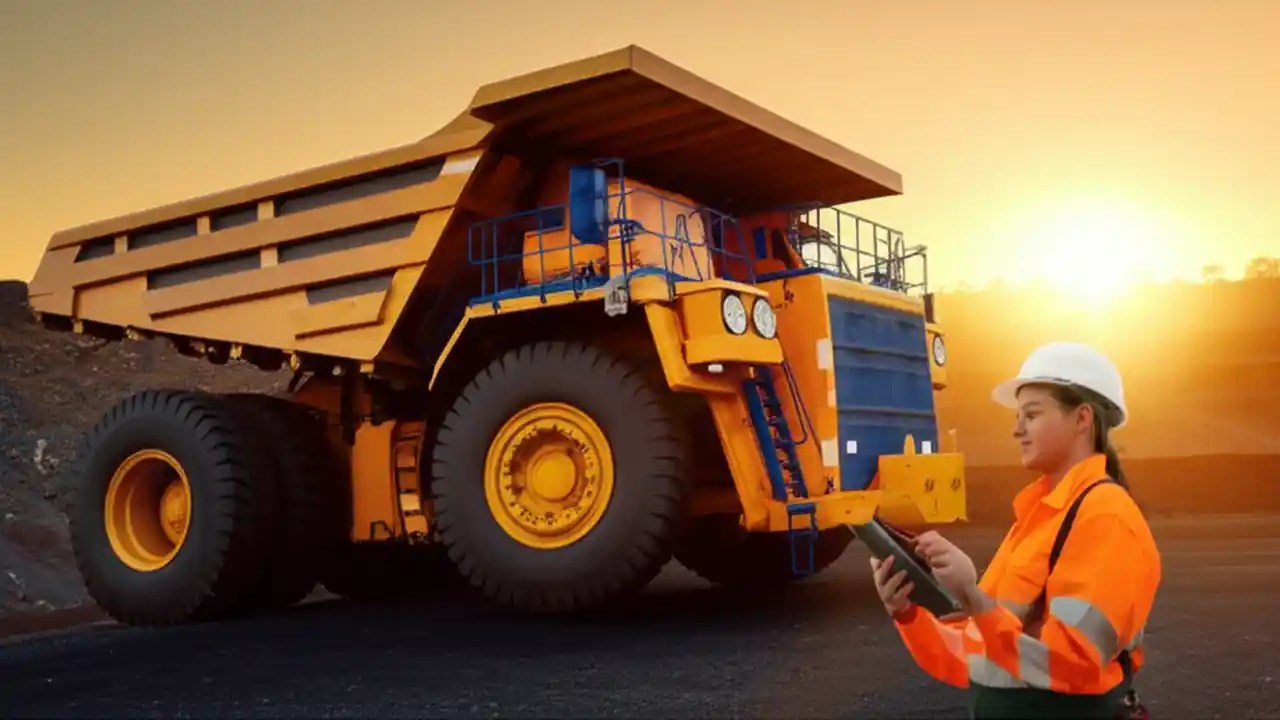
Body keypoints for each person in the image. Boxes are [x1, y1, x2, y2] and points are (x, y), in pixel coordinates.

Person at [870, 341, 1160, 719]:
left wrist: (973, 596)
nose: (1016, 429)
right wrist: (907, 611)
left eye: (1032, 414)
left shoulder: (1106, 518)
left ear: (1082, 419)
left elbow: (1073, 662)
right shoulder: (1040, 518)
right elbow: (980, 658)